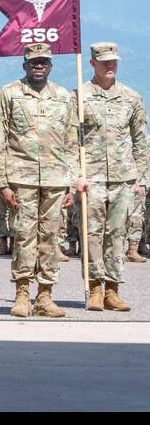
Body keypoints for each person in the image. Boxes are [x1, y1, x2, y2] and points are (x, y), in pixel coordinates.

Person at [0, 42, 78, 318]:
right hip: (21, 180)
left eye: (44, 62)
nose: (39, 66)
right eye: (33, 62)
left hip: (54, 180)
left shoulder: (64, 97)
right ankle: (23, 294)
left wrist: (71, 184)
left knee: (51, 238)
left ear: (51, 66)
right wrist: (2, 182)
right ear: (24, 65)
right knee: (24, 237)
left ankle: (46, 295)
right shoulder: (9, 94)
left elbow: (72, 143)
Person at [77, 41, 146, 311]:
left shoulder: (131, 98)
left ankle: (112, 290)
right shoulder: (80, 97)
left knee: (117, 233)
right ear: (93, 63)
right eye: (104, 61)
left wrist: (139, 176)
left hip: (122, 178)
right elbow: (71, 140)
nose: (110, 65)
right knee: (92, 233)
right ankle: (94, 288)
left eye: (113, 61)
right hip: (91, 177)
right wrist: (76, 175)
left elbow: (140, 141)